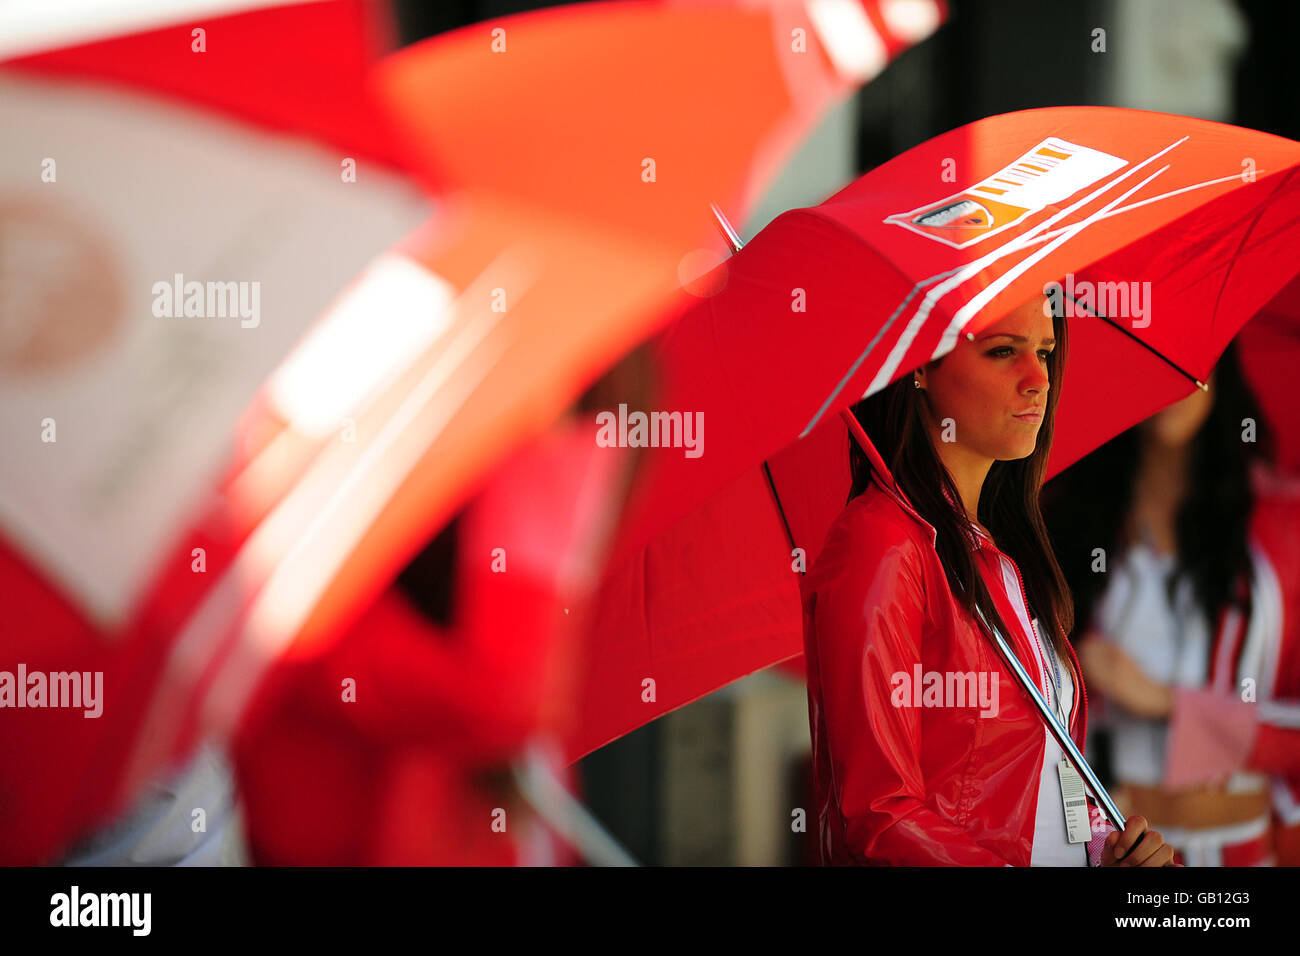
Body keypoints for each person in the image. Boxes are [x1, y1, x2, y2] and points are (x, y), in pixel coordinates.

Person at [801, 294, 1174, 866]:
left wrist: (1106, 848)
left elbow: (1046, 776)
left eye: (1045, 352)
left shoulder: (1000, 555)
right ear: (919, 366)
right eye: (1003, 352)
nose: (1037, 380)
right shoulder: (881, 543)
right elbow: (879, 814)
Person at [1043, 342, 1300, 866]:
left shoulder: (1282, 525)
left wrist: (1167, 703)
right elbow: (1043, 736)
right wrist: (1082, 839)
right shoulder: (1066, 529)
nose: (1178, 379)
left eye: (1195, 359)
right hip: (1121, 858)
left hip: (1247, 851)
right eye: (1153, 361)